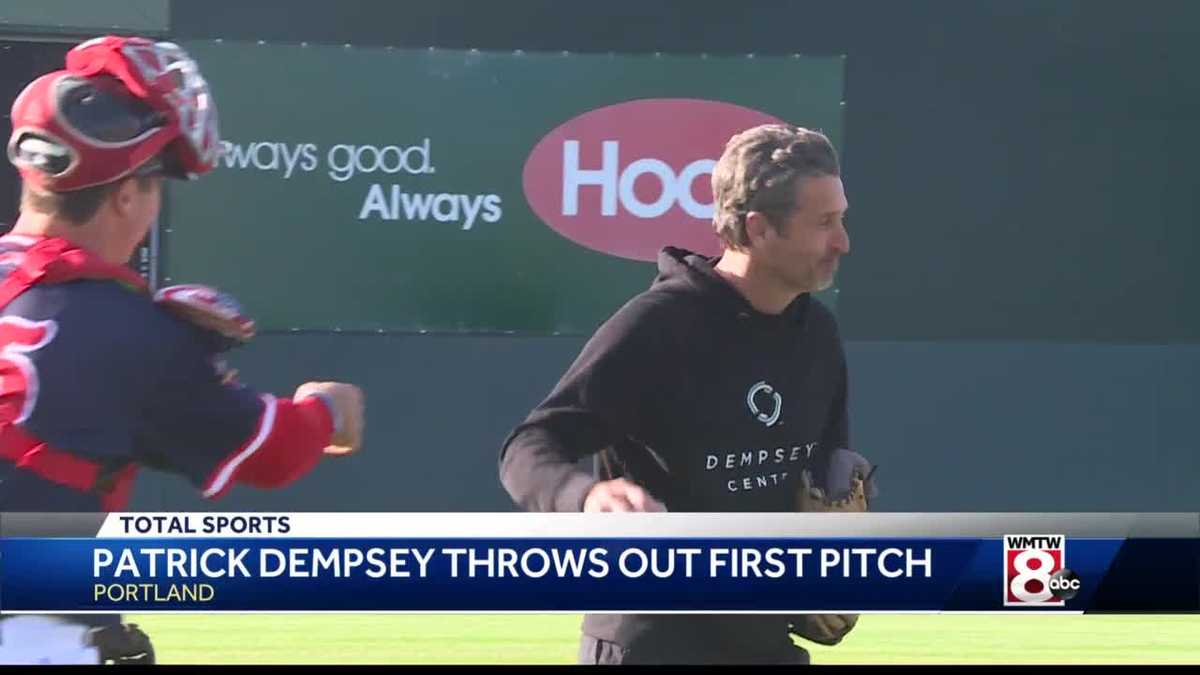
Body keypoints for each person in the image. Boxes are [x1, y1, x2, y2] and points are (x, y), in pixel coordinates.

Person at [0, 36, 364, 664]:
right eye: (156, 182)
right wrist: (328, 409)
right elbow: (270, 453)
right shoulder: (119, 324)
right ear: (125, 195)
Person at [500, 124, 871, 664]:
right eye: (823, 223)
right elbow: (530, 446)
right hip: (651, 643)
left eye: (840, 219)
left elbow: (824, 477)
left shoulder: (816, 334)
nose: (843, 241)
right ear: (759, 228)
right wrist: (586, 497)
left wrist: (826, 580)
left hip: (760, 645)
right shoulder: (660, 325)